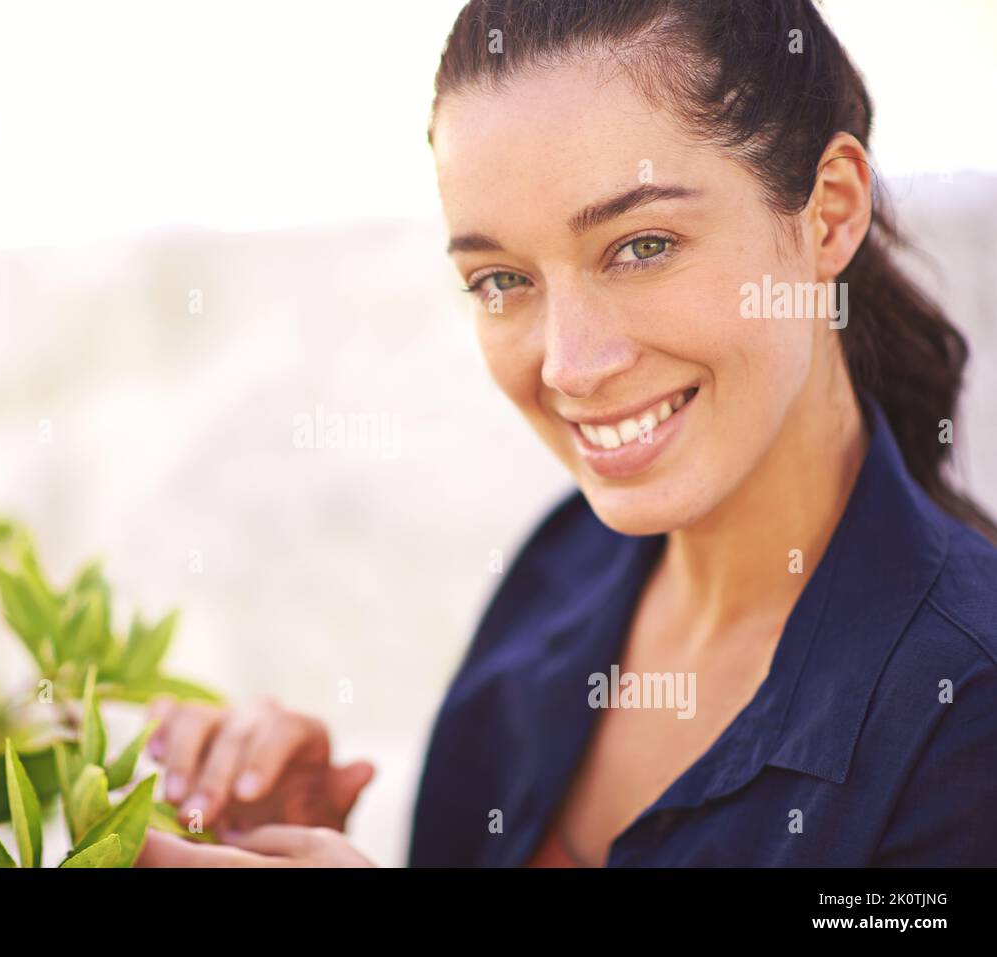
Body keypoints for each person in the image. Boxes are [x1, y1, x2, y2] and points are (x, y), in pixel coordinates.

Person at [135, 0, 997, 868]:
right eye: (502, 278)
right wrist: (305, 834)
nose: (570, 366)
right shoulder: (558, 569)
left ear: (830, 213)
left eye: (643, 245)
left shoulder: (969, 709)